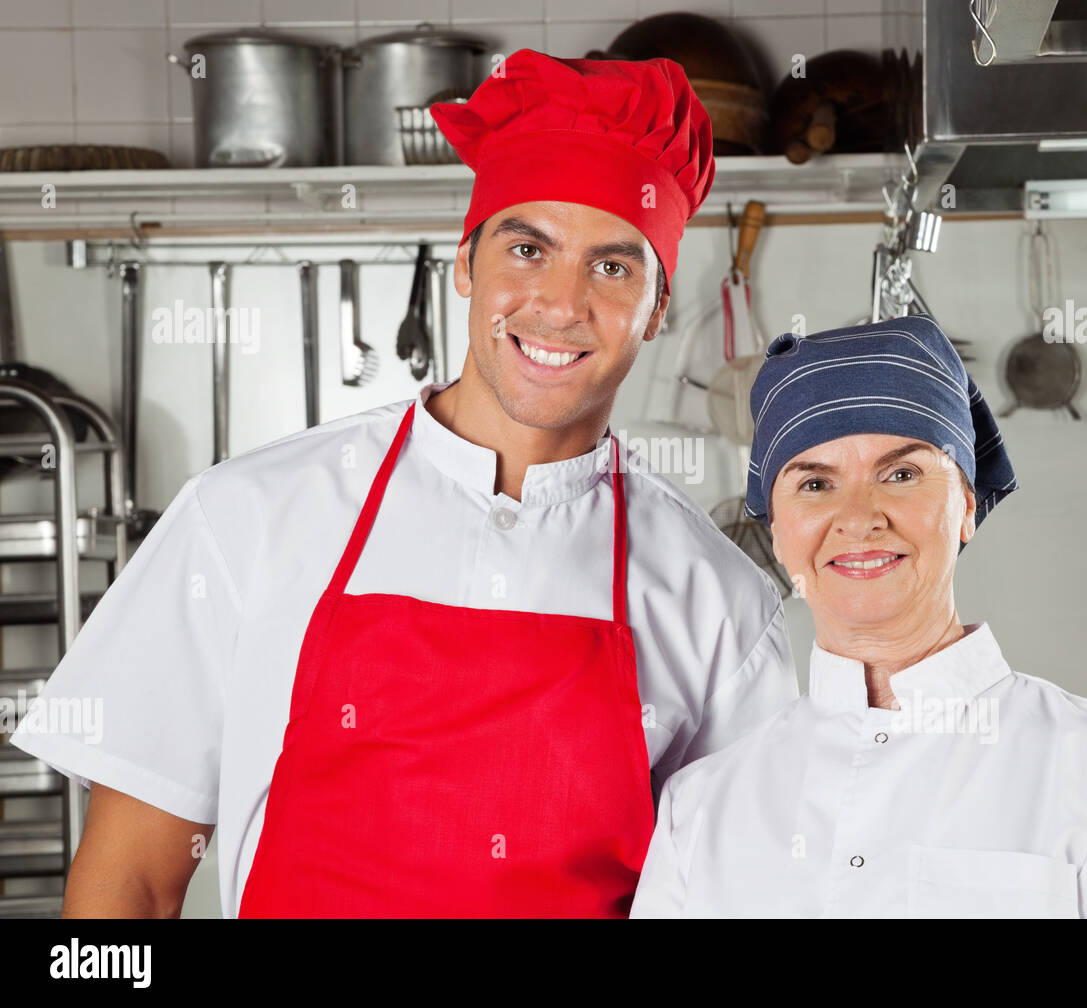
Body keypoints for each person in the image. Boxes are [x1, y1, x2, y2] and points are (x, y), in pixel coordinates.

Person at [10, 49, 797, 919]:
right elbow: (127, 884)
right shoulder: (245, 520)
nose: (561, 303)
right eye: (527, 247)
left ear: (656, 307)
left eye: (612, 267)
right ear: (465, 264)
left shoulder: (718, 603)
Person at [629, 315, 1087, 918]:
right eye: (814, 485)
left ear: (967, 507)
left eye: (901, 474)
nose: (859, 516)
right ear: (777, 527)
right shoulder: (703, 807)